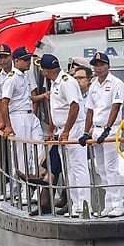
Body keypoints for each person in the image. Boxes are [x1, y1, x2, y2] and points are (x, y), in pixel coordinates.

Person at [41, 54, 89, 217]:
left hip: (74, 128)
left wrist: (67, 130)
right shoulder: (56, 82)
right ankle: (75, 204)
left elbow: (74, 106)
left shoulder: (66, 82)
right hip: (62, 129)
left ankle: (84, 205)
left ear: (45, 71)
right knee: (68, 168)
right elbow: (56, 109)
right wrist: (53, 130)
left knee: (78, 167)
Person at [80, 52, 124, 217]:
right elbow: (90, 110)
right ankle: (109, 204)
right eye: (96, 65)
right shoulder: (93, 86)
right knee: (101, 169)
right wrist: (86, 132)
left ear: (108, 66)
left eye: (102, 65)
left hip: (111, 129)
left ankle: (118, 205)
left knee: (111, 168)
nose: (99, 68)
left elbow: (116, 107)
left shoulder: (116, 83)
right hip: (96, 129)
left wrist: (107, 129)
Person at [0, 46, 42, 206]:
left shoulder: (24, 76)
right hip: (18, 116)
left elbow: (29, 97)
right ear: (16, 61)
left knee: (38, 150)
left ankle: (34, 185)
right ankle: (23, 191)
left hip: (30, 115)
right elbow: (4, 102)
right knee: (22, 154)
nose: (28, 62)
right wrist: (8, 125)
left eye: (29, 59)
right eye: (25, 60)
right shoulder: (12, 78)